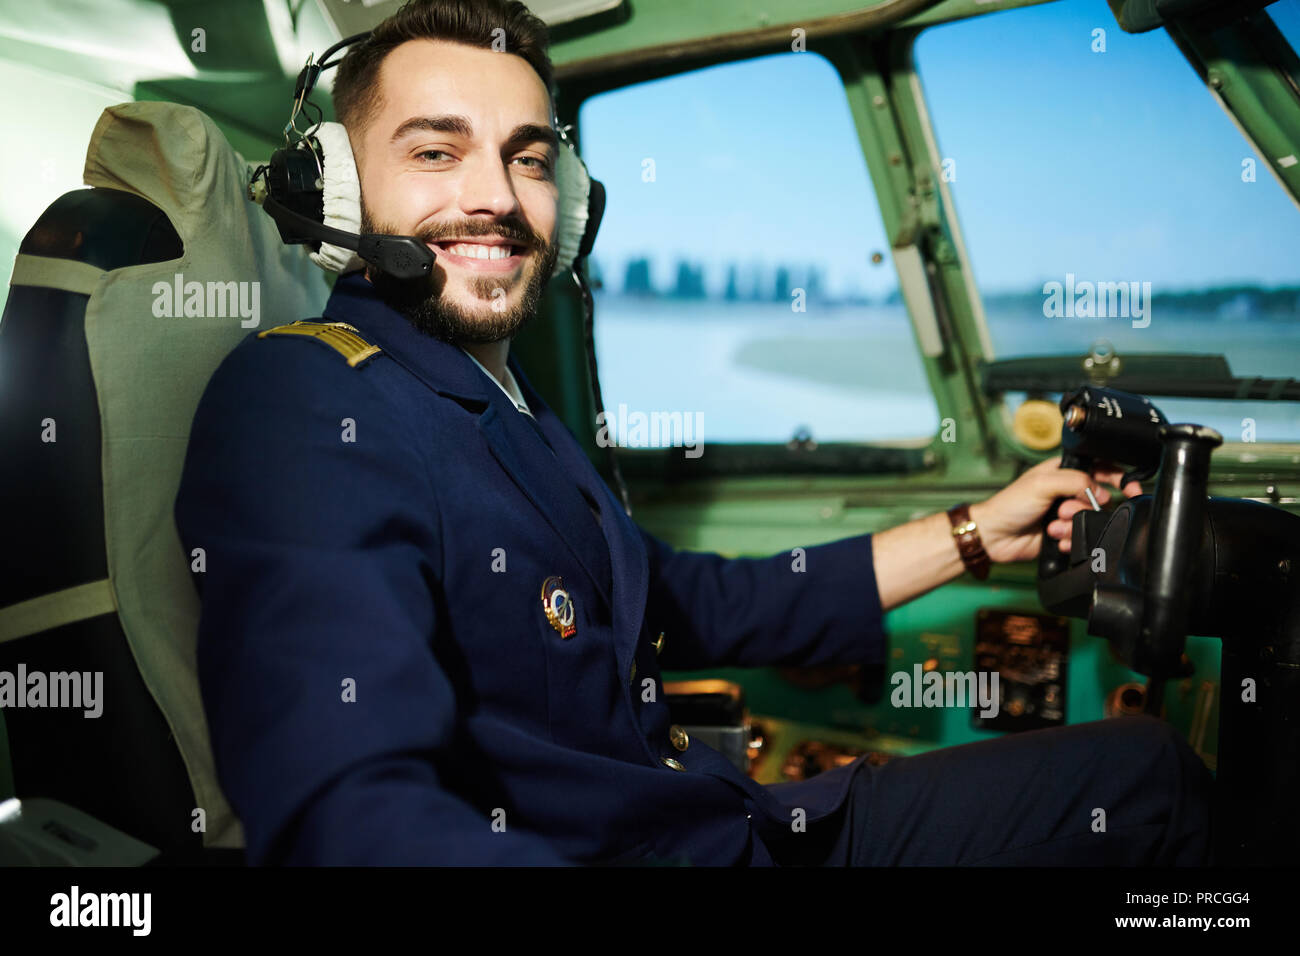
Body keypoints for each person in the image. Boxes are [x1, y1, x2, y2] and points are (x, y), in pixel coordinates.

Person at [174, 0, 1212, 866]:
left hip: (732, 826)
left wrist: (978, 528)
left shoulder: (496, 398)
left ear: (567, 203)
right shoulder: (307, 401)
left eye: (528, 160)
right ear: (338, 188)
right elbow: (349, 813)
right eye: (436, 151)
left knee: (1142, 771)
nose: (493, 197)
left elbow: (691, 600)